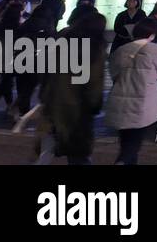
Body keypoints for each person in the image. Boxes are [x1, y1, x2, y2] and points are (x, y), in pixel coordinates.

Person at [34, 10, 106, 165]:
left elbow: (46, 71)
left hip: (54, 103)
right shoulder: (94, 50)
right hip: (77, 109)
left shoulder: (63, 41)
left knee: (47, 148)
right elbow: (94, 84)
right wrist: (95, 105)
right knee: (78, 153)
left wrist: (45, 95)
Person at [105, 19, 157, 165]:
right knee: (135, 140)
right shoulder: (156, 50)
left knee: (125, 138)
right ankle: (122, 161)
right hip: (143, 100)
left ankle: (126, 160)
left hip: (120, 97)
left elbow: (114, 73)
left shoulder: (122, 50)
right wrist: (153, 77)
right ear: (152, 34)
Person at [14, 1, 58, 116]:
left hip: (22, 57)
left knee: (21, 85)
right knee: (29, 87)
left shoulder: (28, 22)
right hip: (38, 60)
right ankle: (22, 110)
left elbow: (16, 36)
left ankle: (21, 108)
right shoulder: (49, 26)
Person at [0, 0, 24, 117]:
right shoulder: (17, 28)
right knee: (5, 84)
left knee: (6, 83)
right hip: (8, 58)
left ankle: (9, 106)